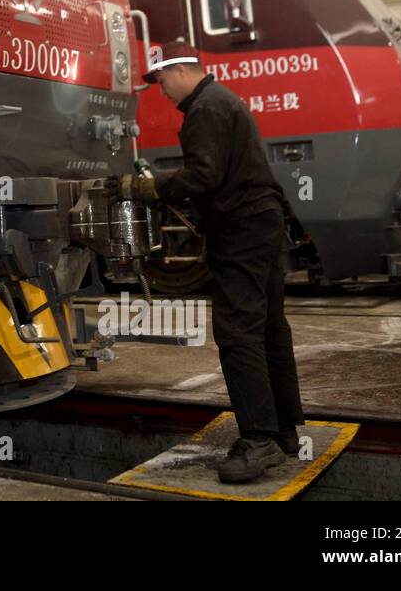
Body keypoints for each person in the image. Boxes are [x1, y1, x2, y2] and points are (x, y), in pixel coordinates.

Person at [119, 41, 305, 485]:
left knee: (239, 332)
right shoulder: (225, 103)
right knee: (269, 328)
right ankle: (284, 433)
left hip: (241, 231)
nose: (161, 90)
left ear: (182, 70)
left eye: (162, 80)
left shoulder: (206, 109)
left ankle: (259, 441)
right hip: (261, 225)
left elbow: (204, 176)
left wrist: (148, 188)